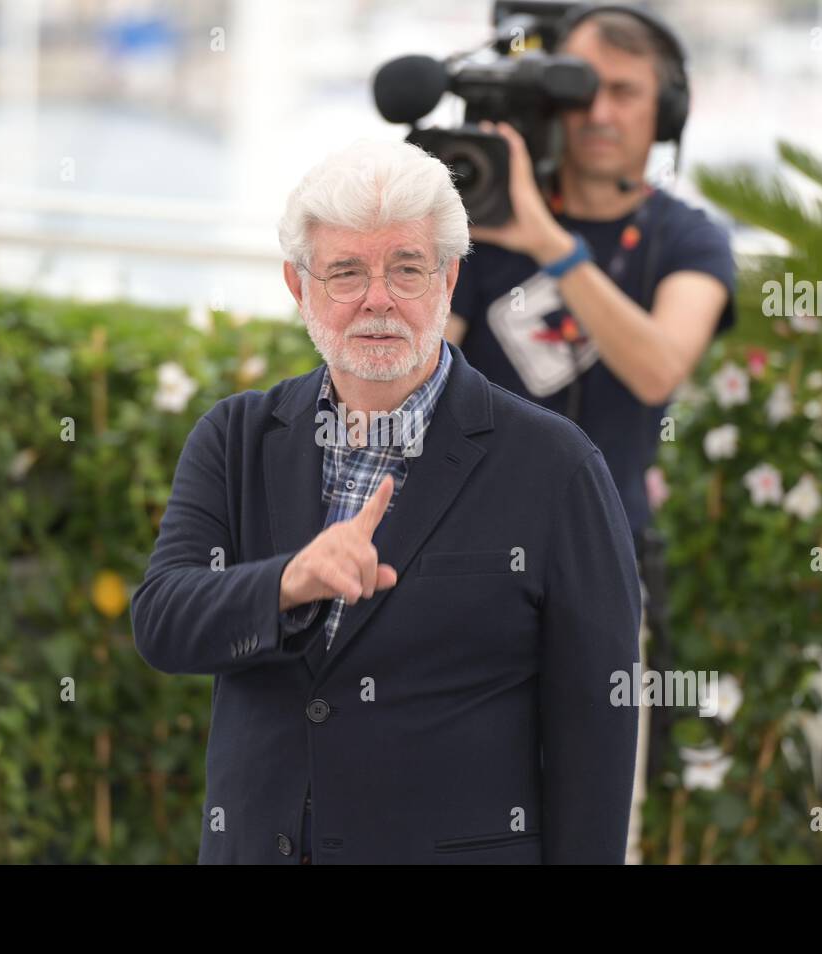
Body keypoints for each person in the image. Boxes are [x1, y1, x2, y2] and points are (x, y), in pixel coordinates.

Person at [131, 137, 642, 864]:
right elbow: (164, 622)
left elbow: (597, 725)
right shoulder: (235, 437)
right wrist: (288, 585)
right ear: (296, 284)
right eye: (344, 272)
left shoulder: (557, 468)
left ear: (448, 278)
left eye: (406, 268)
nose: (377, 298)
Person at [446, 4, 738, 864]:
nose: (601, 114)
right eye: (580, 90)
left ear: (665, 111)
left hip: (600, 581)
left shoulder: (687, 238)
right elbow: (406, 381)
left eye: (625, 91)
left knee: (596, 834)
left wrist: (546, 239)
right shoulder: (481, 219)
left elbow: (656, 367)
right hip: (453, 568)